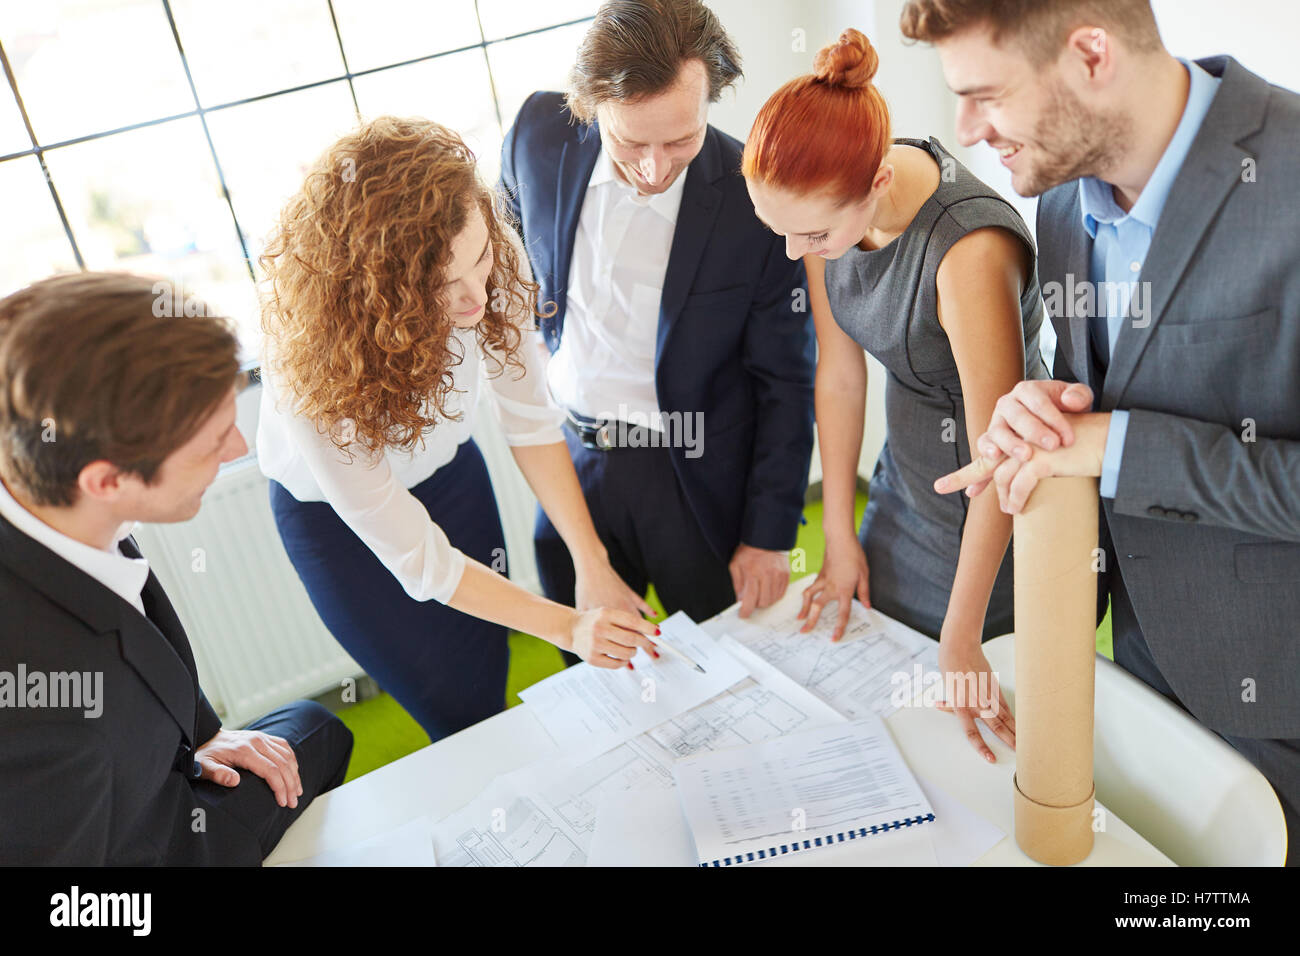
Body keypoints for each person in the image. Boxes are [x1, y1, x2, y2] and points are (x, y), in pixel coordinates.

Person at [912, 0, 1300, 861]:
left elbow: (1123, 437)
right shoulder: (1057, 203)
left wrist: (1118, 446)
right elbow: (1107, 388)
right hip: (1138, 669)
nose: (967, 131)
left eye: (985, 95)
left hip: (1281, 699)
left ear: (1090, 55)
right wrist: (1043, 403)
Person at [257, 117, 660, 742]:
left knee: (486, 668)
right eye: (444, 288)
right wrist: (567, 628)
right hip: (337, 526)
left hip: (451, 475)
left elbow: (529, 421)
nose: (477, 297)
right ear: (377, 296)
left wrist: (593, 562)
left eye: (479, 262)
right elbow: (422, 563)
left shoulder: (488, 253)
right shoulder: (315, 369)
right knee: (454, 708)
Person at [741, 28, 1043, 761]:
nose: (793, 251)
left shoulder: (966, 254)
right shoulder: (823, 216)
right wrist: (839, 535)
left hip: (989, 518)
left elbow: (997, 461)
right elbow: (840, 377)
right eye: (778, 231)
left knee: (977, 728)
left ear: (877, 185)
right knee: (886, 709)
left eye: (807, 234)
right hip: (903, 486)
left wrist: (963, 631)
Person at [500, 0, 816, 663]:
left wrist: (769, 533)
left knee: (728, 669)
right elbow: (511, 253)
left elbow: (787, 382)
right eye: (630, 142)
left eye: (679, 140)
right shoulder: (537, 133)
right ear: (590, 105)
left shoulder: (753, 195)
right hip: (573, 462)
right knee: (589, 670)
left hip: (696, 480)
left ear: (712, 98)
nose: (653, 168)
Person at [0, 272, 353, 864]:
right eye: (213, 438)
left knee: (314, 729)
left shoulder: (57, 492)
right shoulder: (46, 720)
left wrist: (203, 734)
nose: (239, 447)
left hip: (156, 784)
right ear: (108, 481)